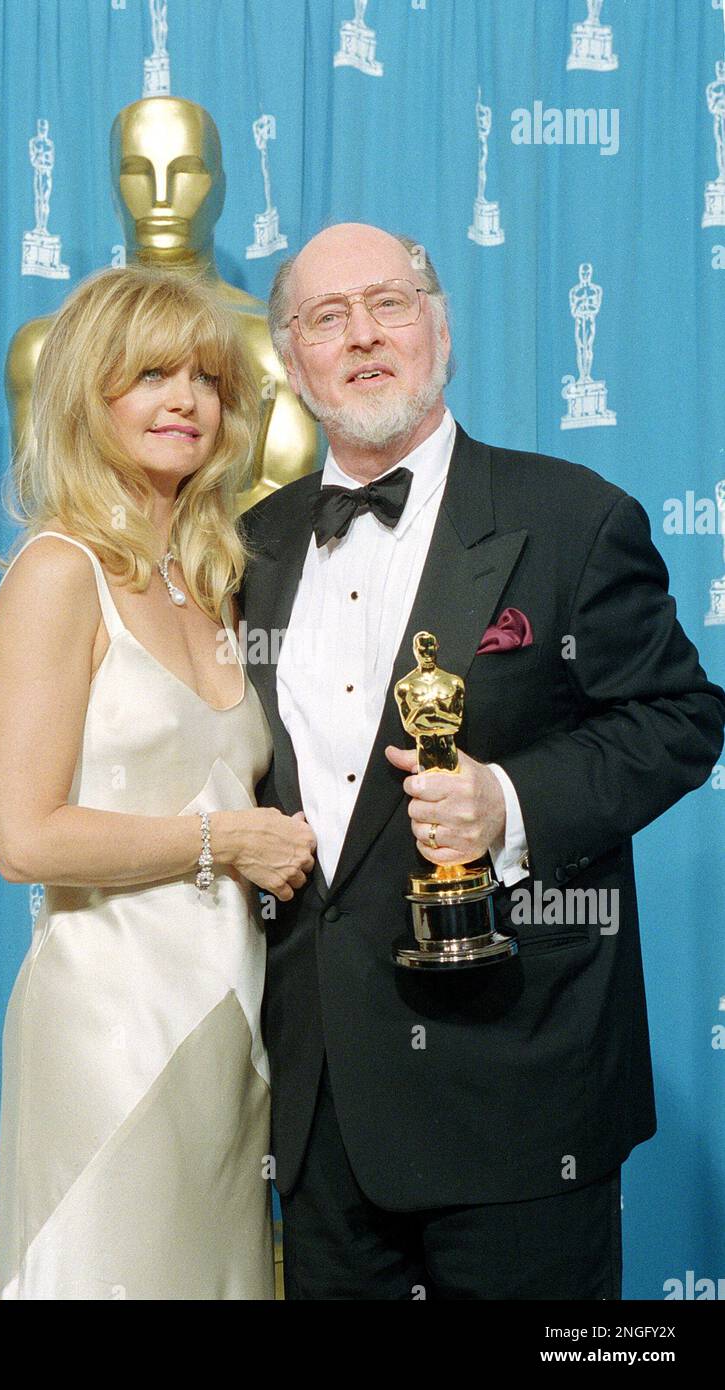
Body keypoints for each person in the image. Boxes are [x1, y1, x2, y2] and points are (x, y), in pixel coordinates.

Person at [238, 222, 725, 1300]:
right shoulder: (253, 545)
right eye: (327, 317)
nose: (363, 336)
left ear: (441, 327)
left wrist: (507, 802)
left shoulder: (569, 517)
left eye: (390, 303)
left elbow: (679, 718)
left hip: (520, 1095)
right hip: (321, 1111)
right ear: (290, 358)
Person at [0, 265, 316, 1300]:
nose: (187, 400)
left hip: (230, 1033)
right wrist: (228, 840)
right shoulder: (57, 570)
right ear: (91, 392)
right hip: (109, 1034)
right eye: (153, 375)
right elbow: (24, 839)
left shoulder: (213, 580)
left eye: (209, 378)